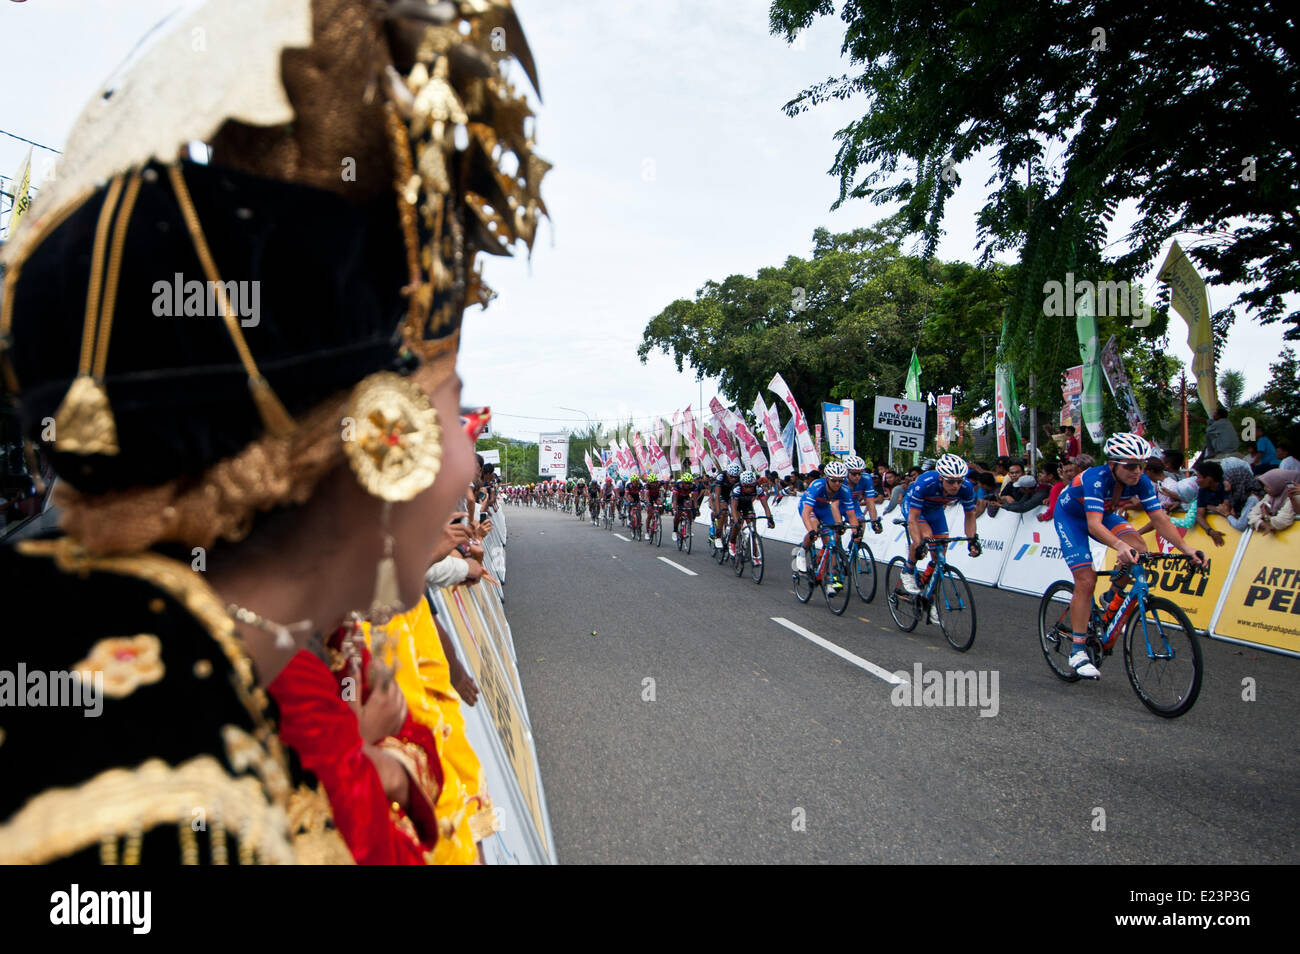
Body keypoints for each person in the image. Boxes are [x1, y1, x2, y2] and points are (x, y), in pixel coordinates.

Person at [0, 0, 546, 864]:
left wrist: (372, 759)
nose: (469, 464)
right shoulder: (151, 805)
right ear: (374, 448)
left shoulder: (211, 659)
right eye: (455, 407)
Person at [1052, 434, 1207, 679]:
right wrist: (1117, 545)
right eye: (1131, 466)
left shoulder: (1142, 482)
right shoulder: (1095, 479)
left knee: (1139, 548)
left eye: (1142, 465)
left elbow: (1160, 520)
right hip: (1073, 519)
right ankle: (1078, 650)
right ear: (1113, 464)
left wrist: (1187, 549)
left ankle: (1112, 595)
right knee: (1086, 580)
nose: (1138, 471)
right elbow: (1093, 525)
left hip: (1103, 515)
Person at [899, 455, 980, 626]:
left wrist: (972, 540)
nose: (956, 486)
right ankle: (907, 570)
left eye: (959, 481)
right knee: (925, 538)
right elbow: (913, 519)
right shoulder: (925, 482)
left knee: (940, 558)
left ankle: (930, 600)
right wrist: (919, 542)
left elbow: (970, 515)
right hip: (915, 510)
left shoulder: (966, 488)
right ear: (941, 477)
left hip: (935, 511)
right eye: (951, 482)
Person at [797, 459, 861, 593]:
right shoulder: (817, 486)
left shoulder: (844, 489)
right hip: (810, 508)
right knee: (814, 529)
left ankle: (830, 578)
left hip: (825, 508)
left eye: (841, 480)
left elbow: (851, 515)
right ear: (827, 478)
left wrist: (855, 531)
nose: (838, 483)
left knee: (831, 542)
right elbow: (806, 513)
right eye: (834, 480)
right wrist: (811, 532)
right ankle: (802, 551)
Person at [728, 470, 776, 557]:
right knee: (738, 524)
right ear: (742, 484)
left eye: (751, 486)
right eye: (746, 486)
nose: (749, 489)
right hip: (736, 506)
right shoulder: (737, 488)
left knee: (753, 529)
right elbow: (734, 508)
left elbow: (766, 506)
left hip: (747, 505)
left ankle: (755, 553)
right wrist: (736, 521)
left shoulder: (758, 488)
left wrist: (770, 519)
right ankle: (732, 543)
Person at [1249, 470, 1300, 534]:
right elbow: (1252, 514)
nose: (1265, 489)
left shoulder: (1293, 496)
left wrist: (1267, 516)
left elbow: (1281, 521)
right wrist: (1263, 524)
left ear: (1279, 485)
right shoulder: (1270, 497)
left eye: (1268, 486)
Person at [710, 463, 741, 547]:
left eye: (735, 477)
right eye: (731, 477)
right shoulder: (721, 476)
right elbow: (717, 496)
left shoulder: (740, 478)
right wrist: (717, 510)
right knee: (723, 510)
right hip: (721, 494)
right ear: (727, 474)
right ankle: (718, 536)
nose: (733, 479)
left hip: (732, 495)